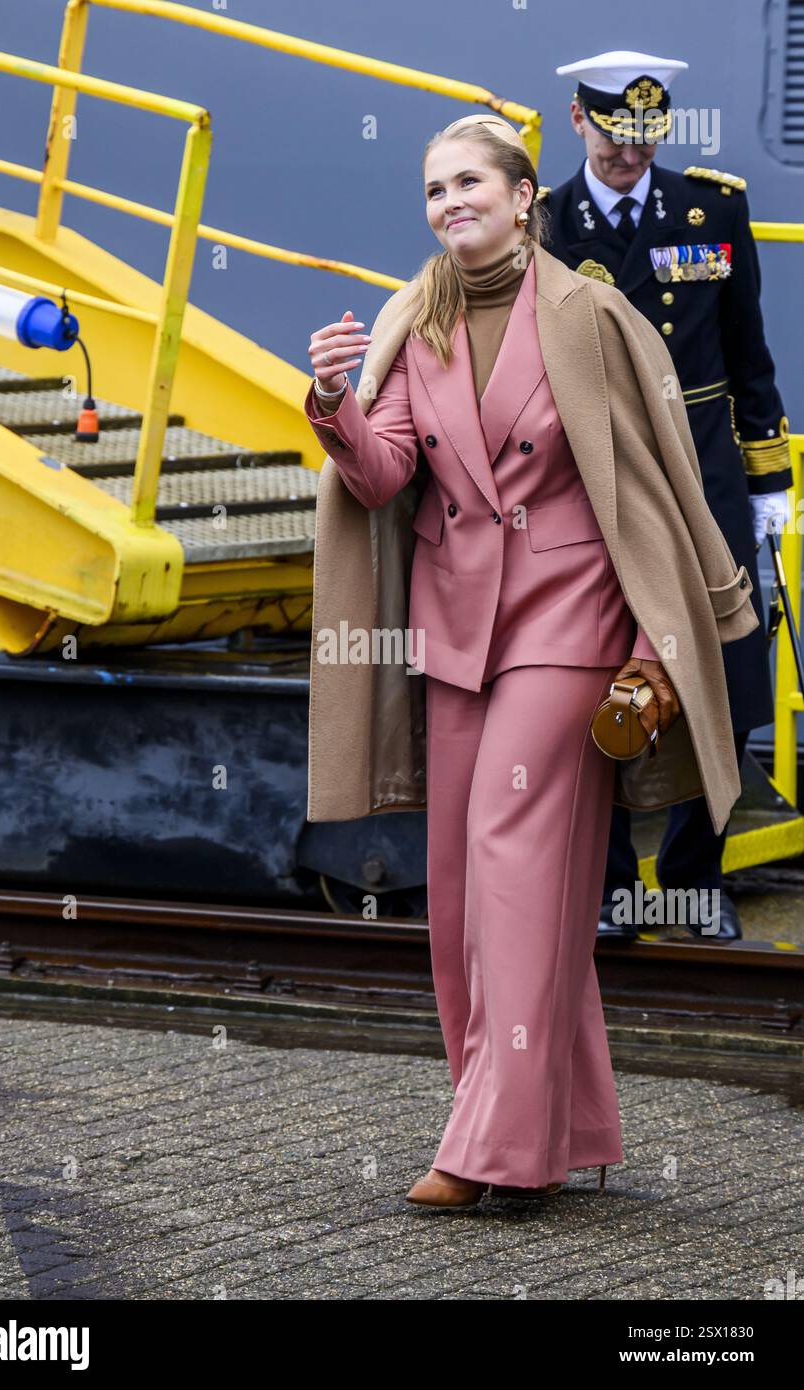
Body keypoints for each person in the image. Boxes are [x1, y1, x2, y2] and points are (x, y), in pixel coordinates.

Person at [302, 114, 760, 1207]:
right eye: (431, 188)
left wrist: (661, 639)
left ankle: (485, 1151)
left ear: (520, 198)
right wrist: (331, 404)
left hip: (566, 625)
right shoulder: (414, 322)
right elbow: (383, 475)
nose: (448, 200)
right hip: (456, 632)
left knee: (514, 870)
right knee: (467, 897)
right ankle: (549, 1125)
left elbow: (652, 481)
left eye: (468, 181)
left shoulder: (590, 313)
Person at [543, 51, 793, 941]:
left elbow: (747, 349)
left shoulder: (713, 209)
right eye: (615, 136)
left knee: (717, 677)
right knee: (596, 674)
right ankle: (611, 891)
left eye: (646, 137)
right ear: (579, 120)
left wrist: (770, 483)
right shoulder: (543, 223)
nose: (630, 154)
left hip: (705, 473)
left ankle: (695, 883)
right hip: (597, 476)